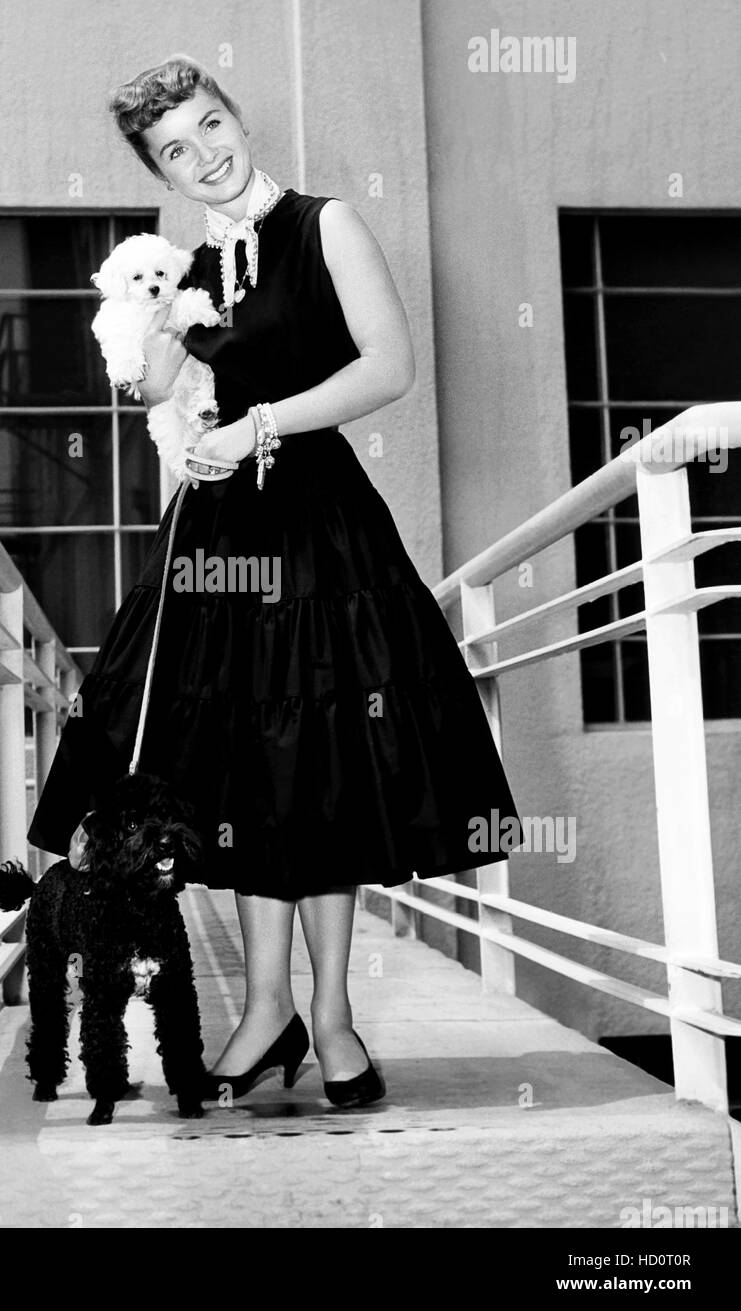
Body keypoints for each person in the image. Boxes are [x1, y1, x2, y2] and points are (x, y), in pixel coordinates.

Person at [27, 55, 521, 1108]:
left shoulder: (323, 224)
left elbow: (388, 366)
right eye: (175, 150)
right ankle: (266, 1010)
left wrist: (259, 421)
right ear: (159, 168)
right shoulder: (193, 261)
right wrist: (150, 309)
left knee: (323, 770)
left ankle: (331, 1016)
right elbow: (157, 390)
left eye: (211, 126)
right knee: (248, 774)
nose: (203, 154)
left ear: (238, 117)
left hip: (319, 525)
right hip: (218, 530)